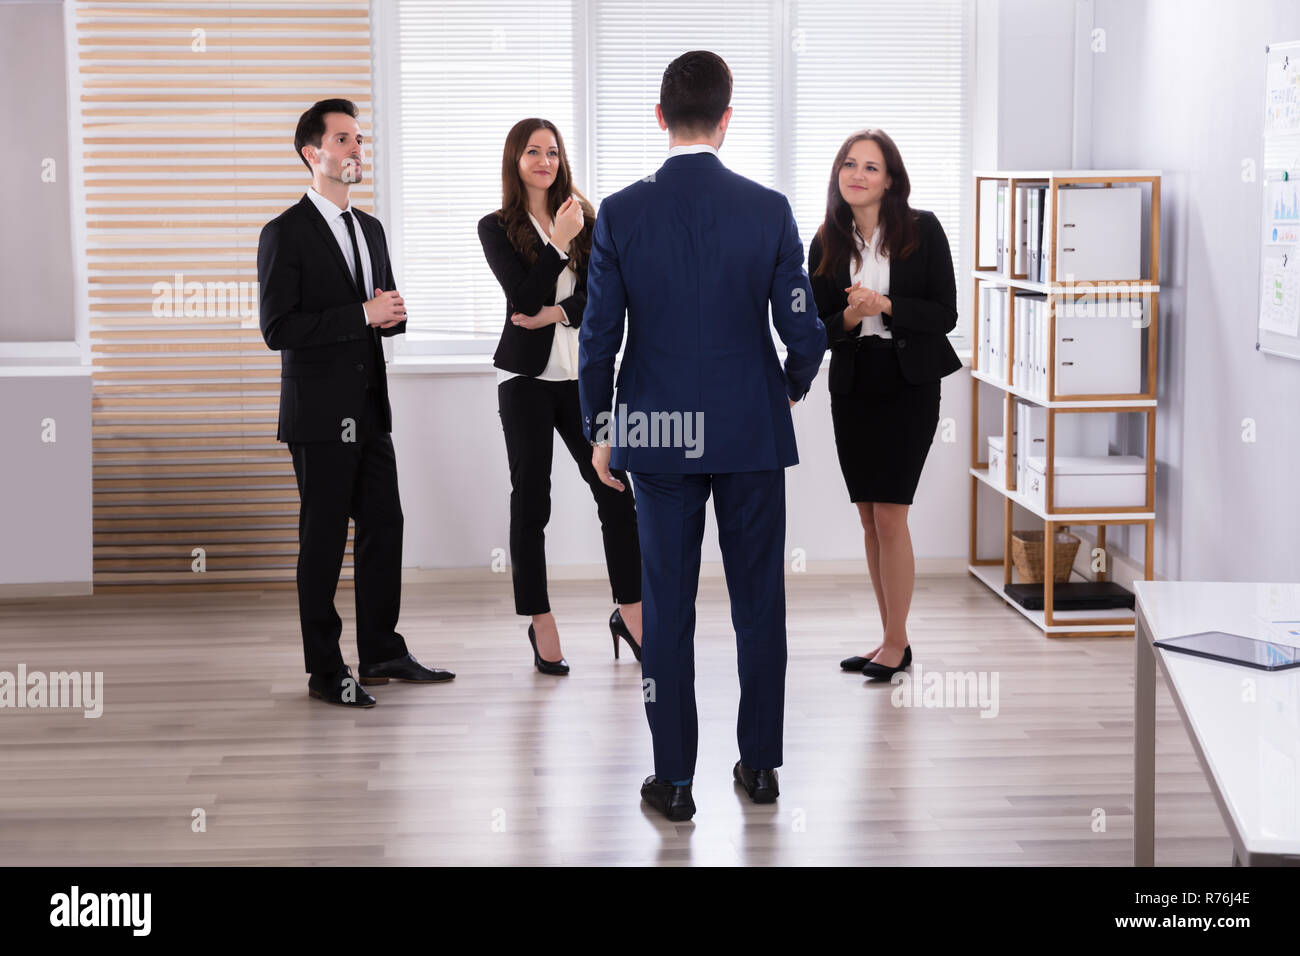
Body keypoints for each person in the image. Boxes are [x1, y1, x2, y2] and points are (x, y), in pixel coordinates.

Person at [579, 52, 827, 822]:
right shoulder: (770, 208)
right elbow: (806, 333)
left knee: (669, 606)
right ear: (727, 120)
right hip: (749, 427)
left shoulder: (619, 212)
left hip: (654, 432)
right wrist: (785, 387)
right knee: (760, 604)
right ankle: (758, 768)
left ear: (660, 118)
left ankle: (674, 781)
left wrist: (600, 427)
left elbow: (598, 339)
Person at [257, 98, 455, 707]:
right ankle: (325, 669)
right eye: (344, 140)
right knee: (322, 540)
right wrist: (360, 315)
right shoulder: (283, 233)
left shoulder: (369, 228)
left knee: (383, 525)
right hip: (318, 416)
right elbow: (278, 329)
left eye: (359, 140)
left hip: (370, 409)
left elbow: (381, 314)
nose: (356, 149)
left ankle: (381, 652)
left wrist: (389, 317)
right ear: (311, 154)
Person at [478, 119, 644, 676]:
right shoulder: (496, 227)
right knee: (532, 501)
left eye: (552, 152)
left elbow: (605, 298)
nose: (545, 161)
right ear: (515, 160)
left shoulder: (588, 219)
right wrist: (555, 244)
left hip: (583, 380)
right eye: (533, 152)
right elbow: (518, 298)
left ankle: (632, 609)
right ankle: (540, 618)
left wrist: (553, 313)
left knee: (615, 490)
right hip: (524, 381)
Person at [806, 129, 961, 682]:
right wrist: (850, 316)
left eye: (871, 167)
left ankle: (897, 641)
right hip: (854, 383)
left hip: (908, 382)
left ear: (890, 178)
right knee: (869, 519)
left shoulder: (923, 230)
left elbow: (945, 314)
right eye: (849, 164)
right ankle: (888, 637)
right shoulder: (825, 240)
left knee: (892, 515)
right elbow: (817, 329)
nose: (858, 175)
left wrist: (886, 304)